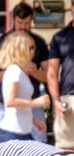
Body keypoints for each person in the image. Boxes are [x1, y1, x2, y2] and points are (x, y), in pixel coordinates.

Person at [0, 3, 49, 101]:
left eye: (27, 23)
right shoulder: (1, 42)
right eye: (19, 23)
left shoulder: (38, 42)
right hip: (5, 101)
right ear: (13, 19)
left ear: (31, 20)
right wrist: (16, 71)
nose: (23, 27)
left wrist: (34, 72)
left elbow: (49, 75)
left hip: (32, 99)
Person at [0, 32, 49, 142]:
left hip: (22, 133)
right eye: (30, 48)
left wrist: (33, 120)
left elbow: (20, 106)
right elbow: (10, 101)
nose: (33, 51)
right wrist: (36, 102)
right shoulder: (14, 71)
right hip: (12, 134)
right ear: (20, 50)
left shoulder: (19, 71)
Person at [47, 13, 74, 148]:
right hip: (67, 100)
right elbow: (52, 72)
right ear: (72, 7)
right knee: (66, 150)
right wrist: (56, 101)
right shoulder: (60, 37)